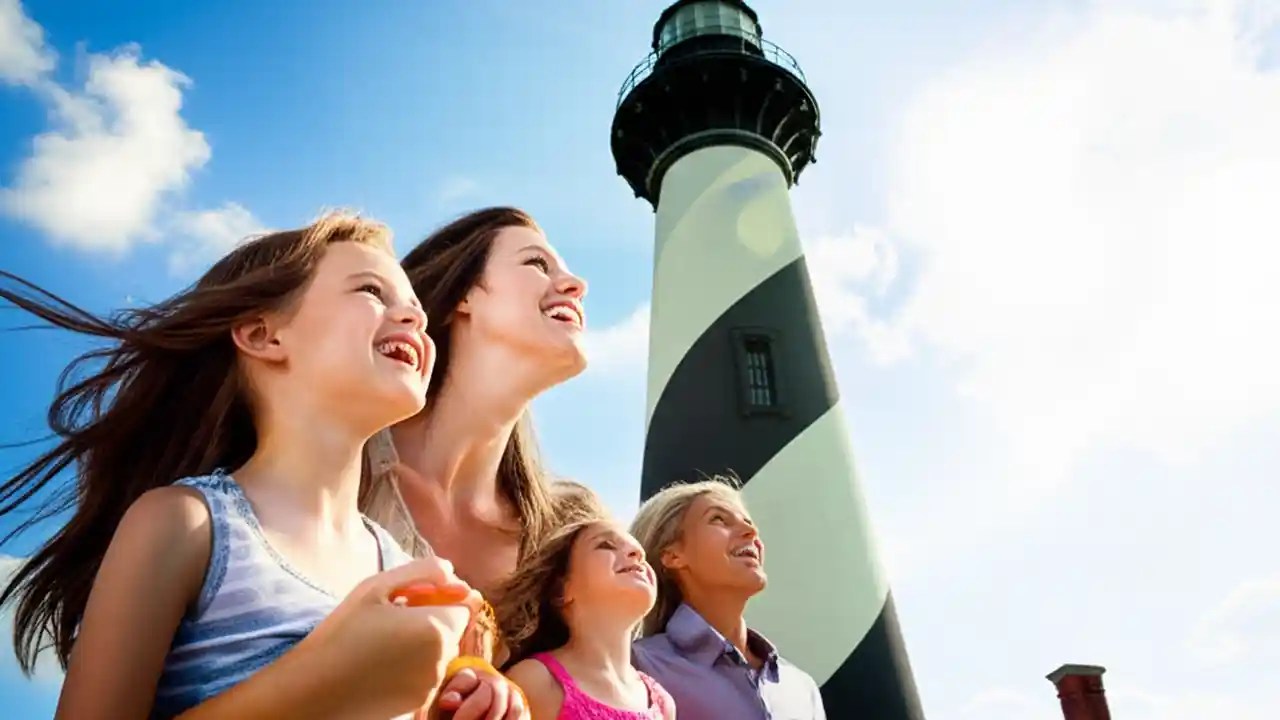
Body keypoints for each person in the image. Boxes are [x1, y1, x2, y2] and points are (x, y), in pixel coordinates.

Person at [0, 213, 521, 719]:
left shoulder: (396, 563)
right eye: (370, 291)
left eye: (416, 310)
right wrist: (323, 680)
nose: (415, 318)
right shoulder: (186, 523)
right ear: (262, 336)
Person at [362, 206, 588, 598]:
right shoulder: (340, 470)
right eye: (538, 263)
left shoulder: (567, 529)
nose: (575, 284)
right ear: (463, 295)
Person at [630, 478, 827, 720]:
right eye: (719, 519)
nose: (752, 532)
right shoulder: (636, 667)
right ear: (673, 555)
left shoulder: (801, 686)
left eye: (748, 522)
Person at [494, 517, 675, 720]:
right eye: (605, 545)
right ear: (561, 591)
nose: (637, 554)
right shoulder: (537, 681)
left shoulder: (662, 703)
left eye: (640, 554)